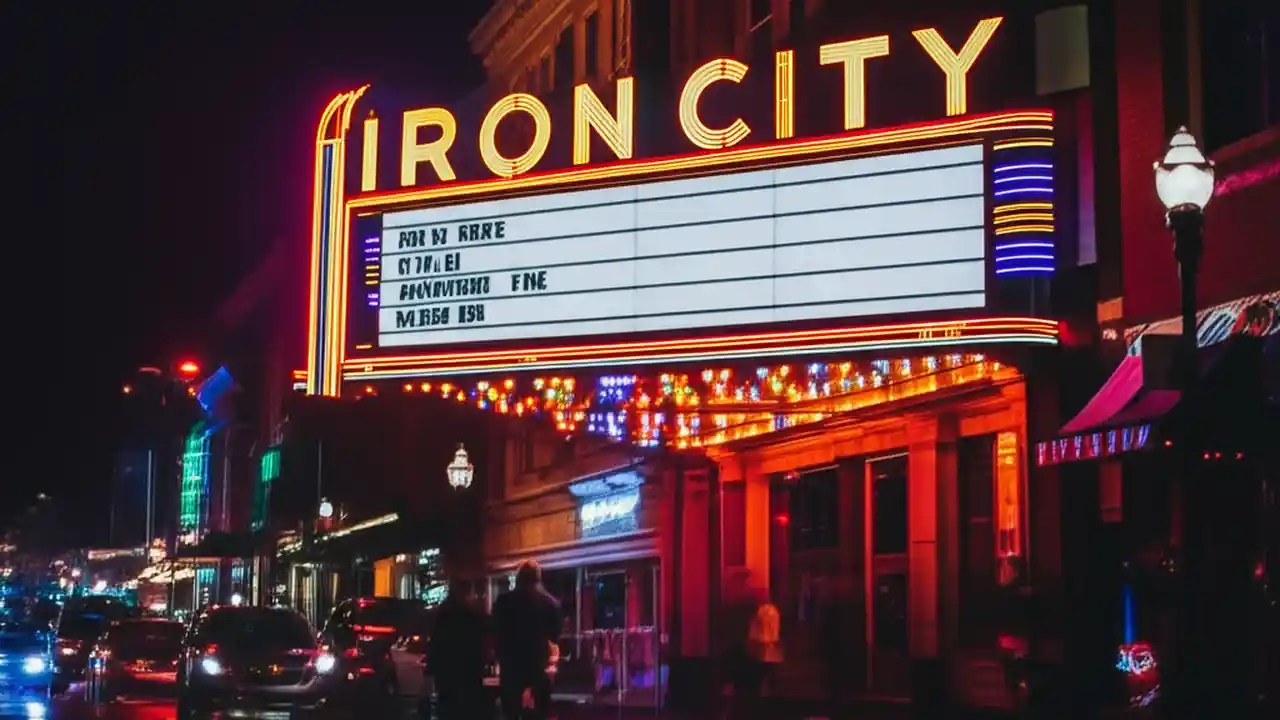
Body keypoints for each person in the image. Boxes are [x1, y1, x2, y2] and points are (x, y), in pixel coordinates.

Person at [493, 561, 562, 720]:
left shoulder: (503, 602)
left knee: (511, 713)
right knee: (539, 714)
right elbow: (554, 635)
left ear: (518, 579)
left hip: (511, 669)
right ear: (538, 579)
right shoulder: (549, 603)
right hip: (537, 669)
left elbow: (495, 632)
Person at [428, 579, 489, 720]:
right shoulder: (472, 615)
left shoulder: (443, 614)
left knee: (449, 709)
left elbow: (435, 643)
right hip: (469, 674)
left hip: (447, 675)